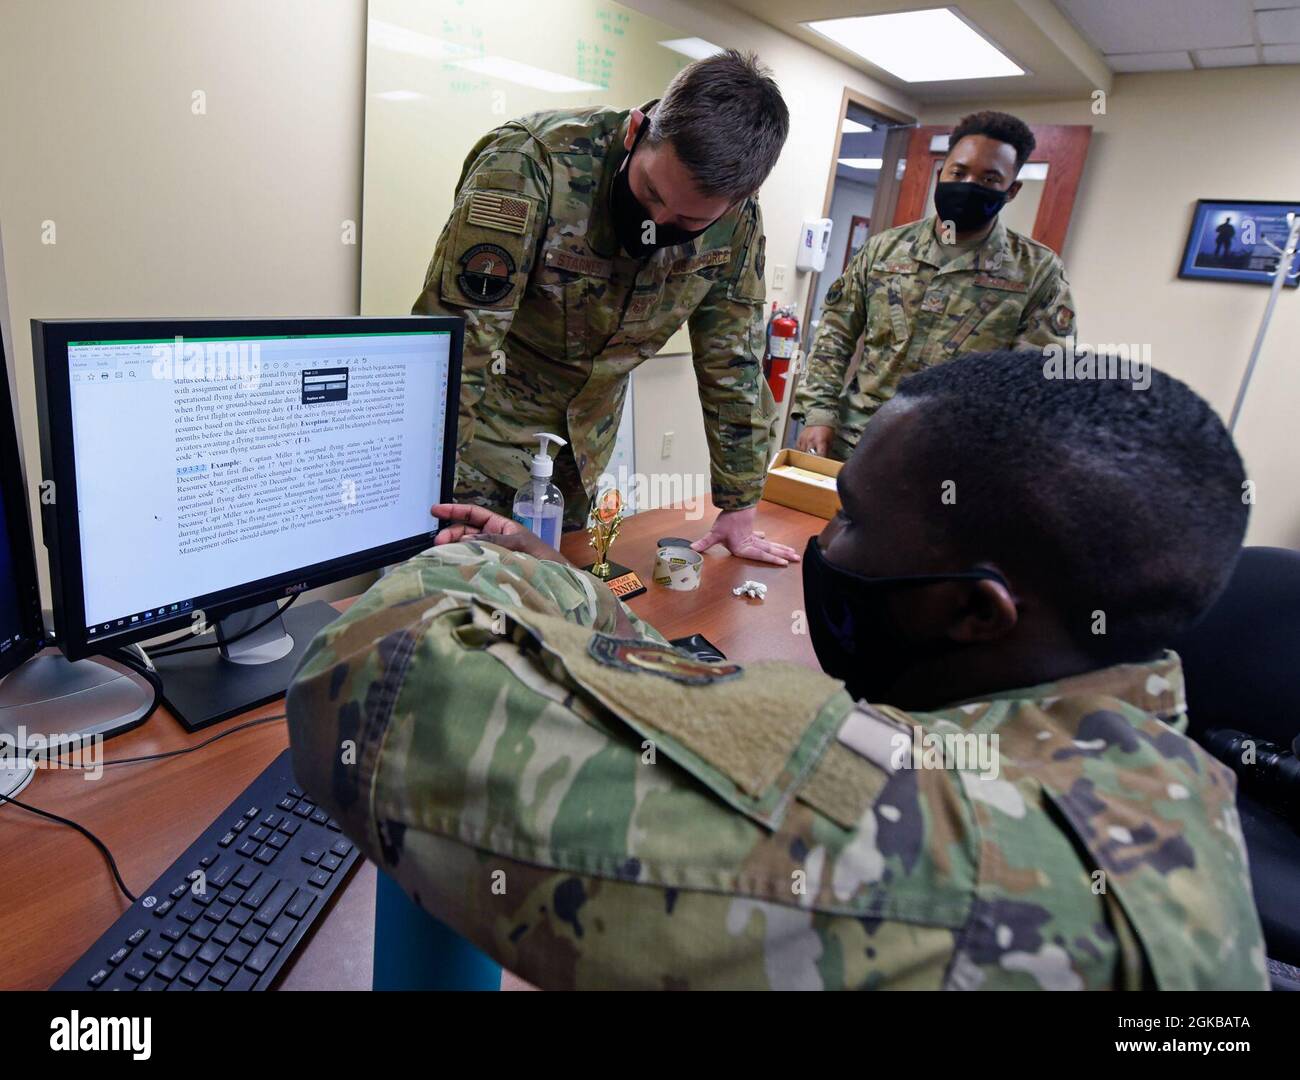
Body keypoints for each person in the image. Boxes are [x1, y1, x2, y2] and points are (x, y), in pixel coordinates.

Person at [286, 349, 1267, 990]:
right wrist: (565, 588)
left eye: (851, 519)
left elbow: (374, 678)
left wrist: (476, 565)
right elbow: (692, 722)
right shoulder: (1162, 771)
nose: (826, 542)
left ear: (973, 608)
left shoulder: (941, 849)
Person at [412, 49, 799, 566]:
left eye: (685, 221)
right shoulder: (529, 164)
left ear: (738, 200)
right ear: (638, 130)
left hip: (577, 463)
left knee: (554, 612)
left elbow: (735, 363)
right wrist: (431, 489)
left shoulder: (739, 223)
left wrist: (739, 501)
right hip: (477, 448)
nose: (657, 219)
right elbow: (458, 345)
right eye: (649, 191)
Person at [794, 111, 1077, 461]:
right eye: (959, 172)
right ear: (942, 171)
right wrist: (819, 413)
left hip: (954, 460)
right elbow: (835, 335)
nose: (969, 184)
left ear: (1012, 190)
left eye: (989, 179)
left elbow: (1035, 381)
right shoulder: (885, 249)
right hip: (858, 444)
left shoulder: (1036, 272)